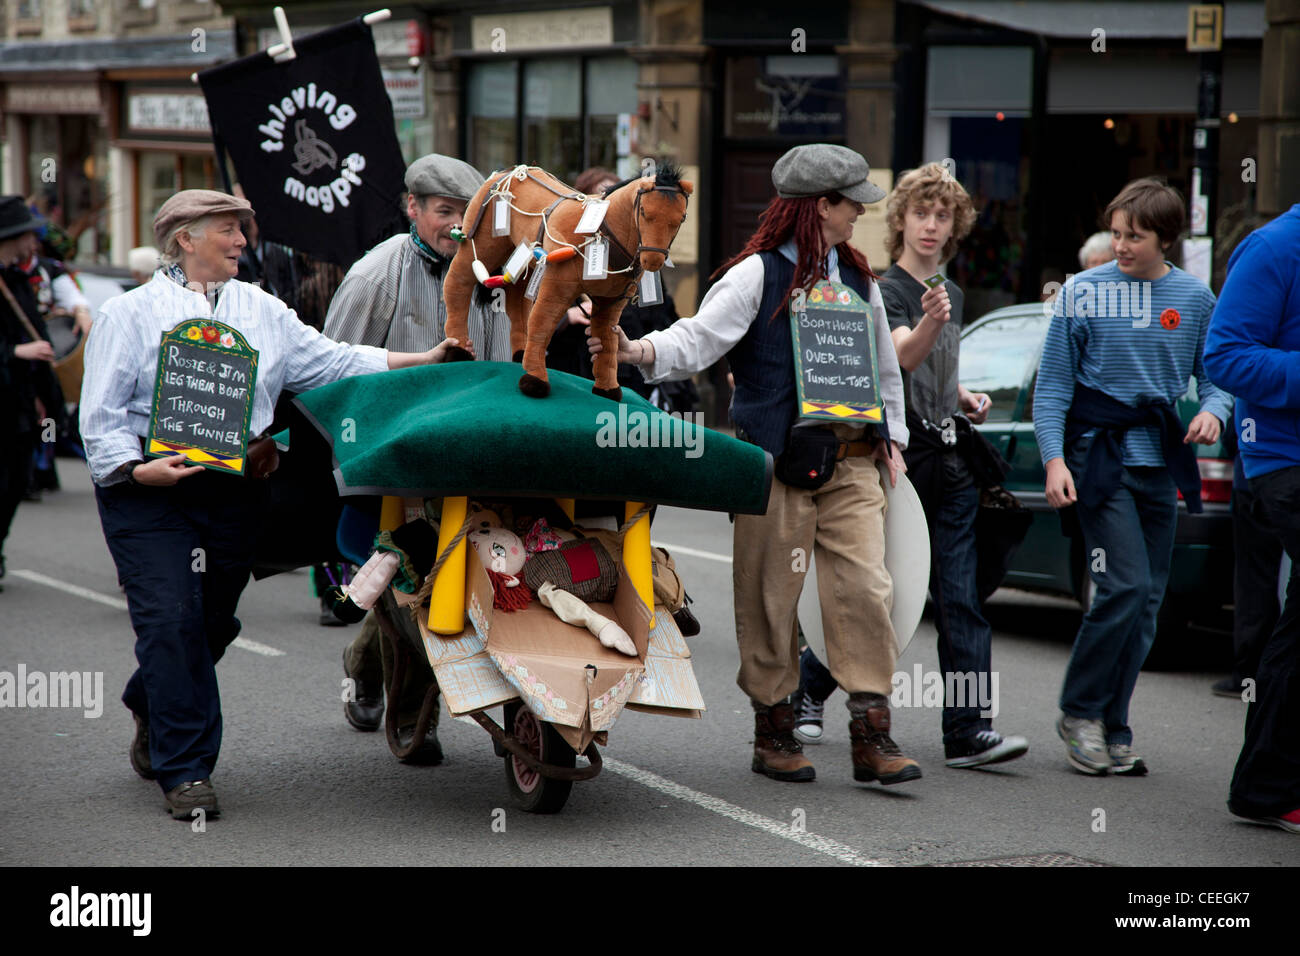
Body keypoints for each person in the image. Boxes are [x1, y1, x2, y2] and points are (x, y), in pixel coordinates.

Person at [80, 189, 462, 820]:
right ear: (185, 239)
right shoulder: (129, 315)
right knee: (171, 622)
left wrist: (418, 360)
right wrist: (137, 468)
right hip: (147, 494)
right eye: (230, 231)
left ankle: (153, 699)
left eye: (242, 230)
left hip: (232, 493)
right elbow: (99, 416)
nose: (241, 242)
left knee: (209, 623)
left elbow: (332, 362)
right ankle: (187, 771)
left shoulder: (261, 308)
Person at [591, 143, 920, 785]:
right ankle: (774, 731)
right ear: (821, 206)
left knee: (866, 592)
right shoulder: (755, 273)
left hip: (852, 461)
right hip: (775, 464)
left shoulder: (860, 278)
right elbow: (698, 338)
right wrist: (633, 349)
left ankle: (871, 736)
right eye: (852, 204)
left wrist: (894, 437)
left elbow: (884, 366)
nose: (860, 215)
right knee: (770, 597)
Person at [1035, 178, 1230, 776]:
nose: (1120, 245)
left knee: (1147, 602)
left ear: (1164, 238)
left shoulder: (1196, 298)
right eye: (1116, 233)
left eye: (1134, 236)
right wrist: (1053, 460)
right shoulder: (1081, 294)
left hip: (1162, 465)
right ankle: (1080, 714)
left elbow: (1219, 375)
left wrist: (1211, 412)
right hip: (1100, 463)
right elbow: (1053, 388)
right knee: (1120, 588)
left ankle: (1115, 724)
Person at [324, 154, 507, 758]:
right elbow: (330, 372)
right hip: (390, 460)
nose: (457, 227)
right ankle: (414, 717)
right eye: (445, 212)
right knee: (418, 577)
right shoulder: (376, 275)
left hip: (469, 455)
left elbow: (503, 372)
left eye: (468, 215)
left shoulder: (492, 277)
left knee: (463, 572)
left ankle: (364, 660)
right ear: (413, 209)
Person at [1203, 201, 1300, 834]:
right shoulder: (1273, 248)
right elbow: (1225, 356)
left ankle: (1265, 784)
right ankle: (1267, 784)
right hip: (1285, 463)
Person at [0, 196, 59, 586]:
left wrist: (44, 396)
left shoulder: (17, 280)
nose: (32, 242)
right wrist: (14, 352)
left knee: (16, 481)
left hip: (16, 399)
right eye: (27, 234)